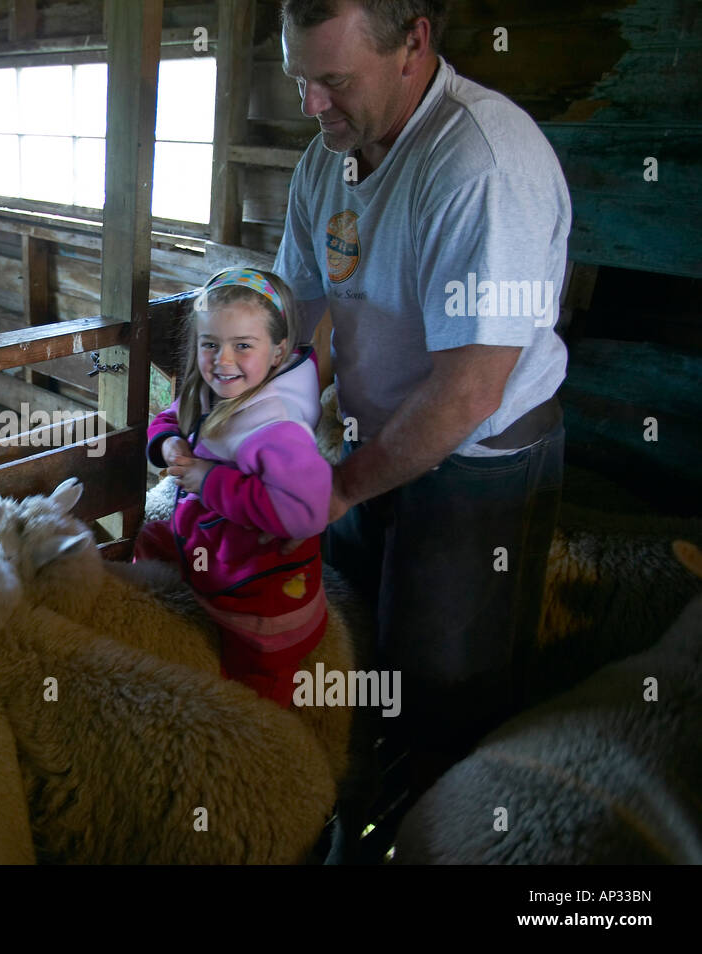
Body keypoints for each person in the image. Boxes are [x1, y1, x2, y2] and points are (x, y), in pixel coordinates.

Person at [272, 0, 570, 782]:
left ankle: (442, 824)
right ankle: (355, 804)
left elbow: (471, 390)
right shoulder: (324, 162)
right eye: (297, 79)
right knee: (352, 636)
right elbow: (300, 322)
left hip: (477, 457)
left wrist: (337, 490)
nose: (311, 105)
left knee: (439, 689)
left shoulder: (480, 166)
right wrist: (256, 424)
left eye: (333, 79)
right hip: (375, 435)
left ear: (413, 45)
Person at [136, 267, 333, 708]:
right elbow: (174, 415)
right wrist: (168, 443)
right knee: (151, 538)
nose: (222, 360)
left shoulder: (275, 426)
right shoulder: (215, 389)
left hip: (256, 577)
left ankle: (266, 735)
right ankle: (176, 619)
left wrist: (208, 479)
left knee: (255, 675)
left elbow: (306, 512)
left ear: (278, 352)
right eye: (211, 345)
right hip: (208, 539)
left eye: (242, 346)